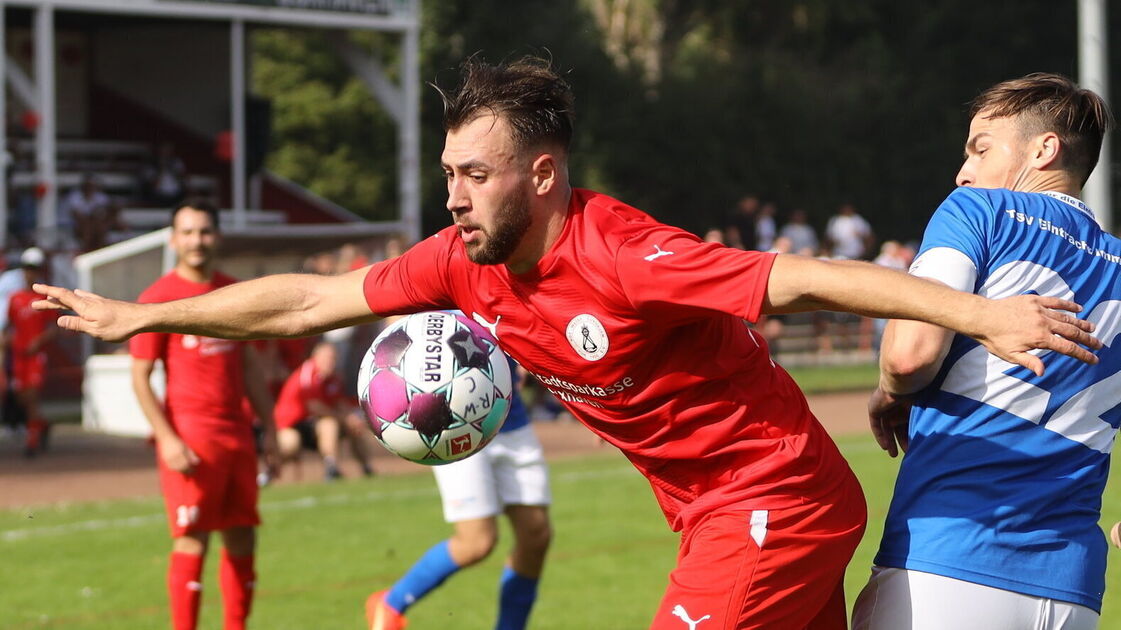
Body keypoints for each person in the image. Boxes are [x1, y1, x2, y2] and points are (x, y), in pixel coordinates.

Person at [34, 58, 1101, 630]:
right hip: (718, 516)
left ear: (540, 175)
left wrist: (979, 315)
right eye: (448, 175)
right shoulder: (459, 261)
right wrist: (143, 317)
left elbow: (807, 277)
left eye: (474, 176)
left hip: (770, 503)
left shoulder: (624, 253)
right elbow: (310, 302)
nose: (454, 197)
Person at [851, 73, 1116, 630]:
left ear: (1044, 150)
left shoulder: (978, 211)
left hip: (951, 560)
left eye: (981, 148)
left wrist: (892, 390)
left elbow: (909, 354)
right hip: (1075, 589)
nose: (963, 172)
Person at [128, 199, 280, 630]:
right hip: (192, 439)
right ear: (173, 240)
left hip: (238, 436)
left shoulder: (234, 292)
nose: (197, 240)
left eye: (205, 231)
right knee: (192, 541)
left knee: (242, 537)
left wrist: (269, 429)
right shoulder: (157, 299)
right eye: (188, 232)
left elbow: (248, 368)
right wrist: (167, 438)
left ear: (218, 236)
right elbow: (140, 377)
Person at [366, 354, 551, 630]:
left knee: (536, 536)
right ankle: (391, 603)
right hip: (451, 422)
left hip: (507, 413)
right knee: (477, 542)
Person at [273, 340, 375, 481]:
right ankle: (269, 470)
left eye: (333, 358)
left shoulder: (333, 377)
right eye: (327, 358)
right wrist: (343, 418)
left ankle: (364, 467)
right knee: (295, 440)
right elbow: (314, 406)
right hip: (292, 425)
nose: (331, 362)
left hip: (314, 425)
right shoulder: (307, 374)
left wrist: (352, 418)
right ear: (316, 358)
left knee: (351, 425)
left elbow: (339, 402)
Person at [5, 247, 57, 455]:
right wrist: (7, 341)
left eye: (34, 269)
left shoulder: (46, 298)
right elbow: (10, 326)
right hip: (19, 355)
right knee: (21, 398)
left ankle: (32, 441)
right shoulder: (15, 298)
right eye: (27, 268)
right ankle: (42, 426)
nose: (30, 273)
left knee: (32, 395)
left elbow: (54, 328)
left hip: (36, 355)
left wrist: (38, 341)